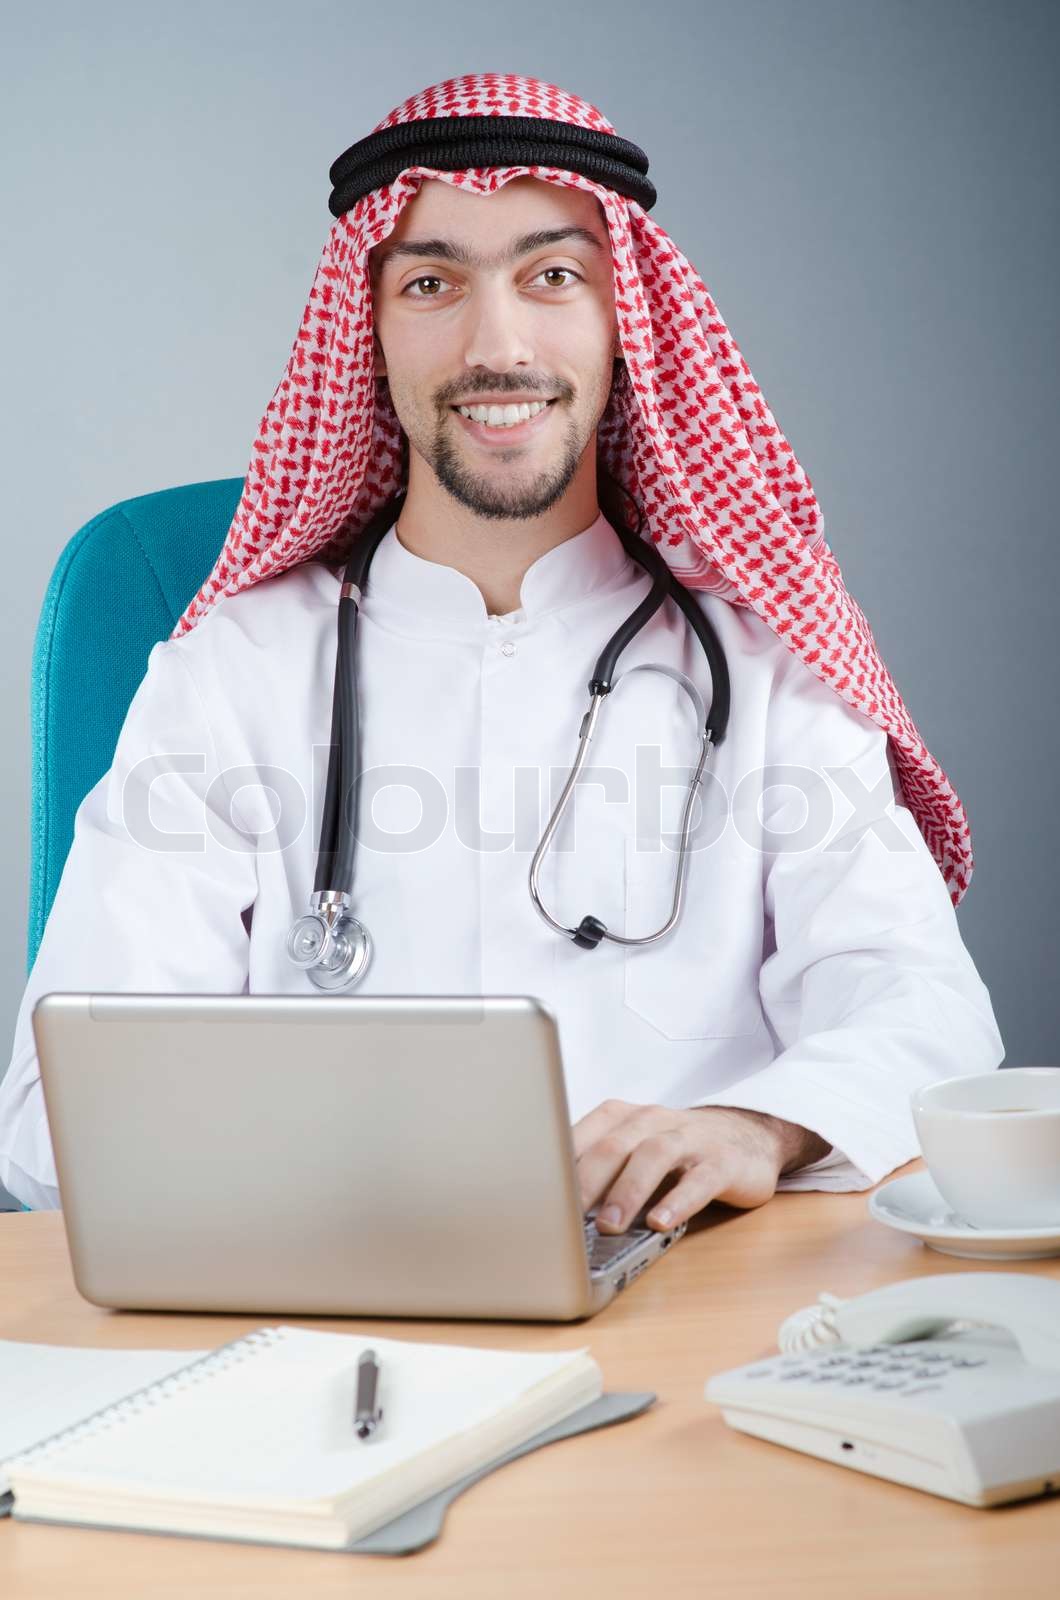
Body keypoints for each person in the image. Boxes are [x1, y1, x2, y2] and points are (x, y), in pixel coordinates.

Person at [0, 72, 1003, 1218]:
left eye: (554, 276)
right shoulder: (230, 674)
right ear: (365, 331)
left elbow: (928, 1018)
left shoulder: (768, 668)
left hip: (704, 1300)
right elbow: (47, 1117)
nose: (497, 343)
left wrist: (755, 1125)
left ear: (625, 321)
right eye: (431, 283)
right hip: (319, 1310)